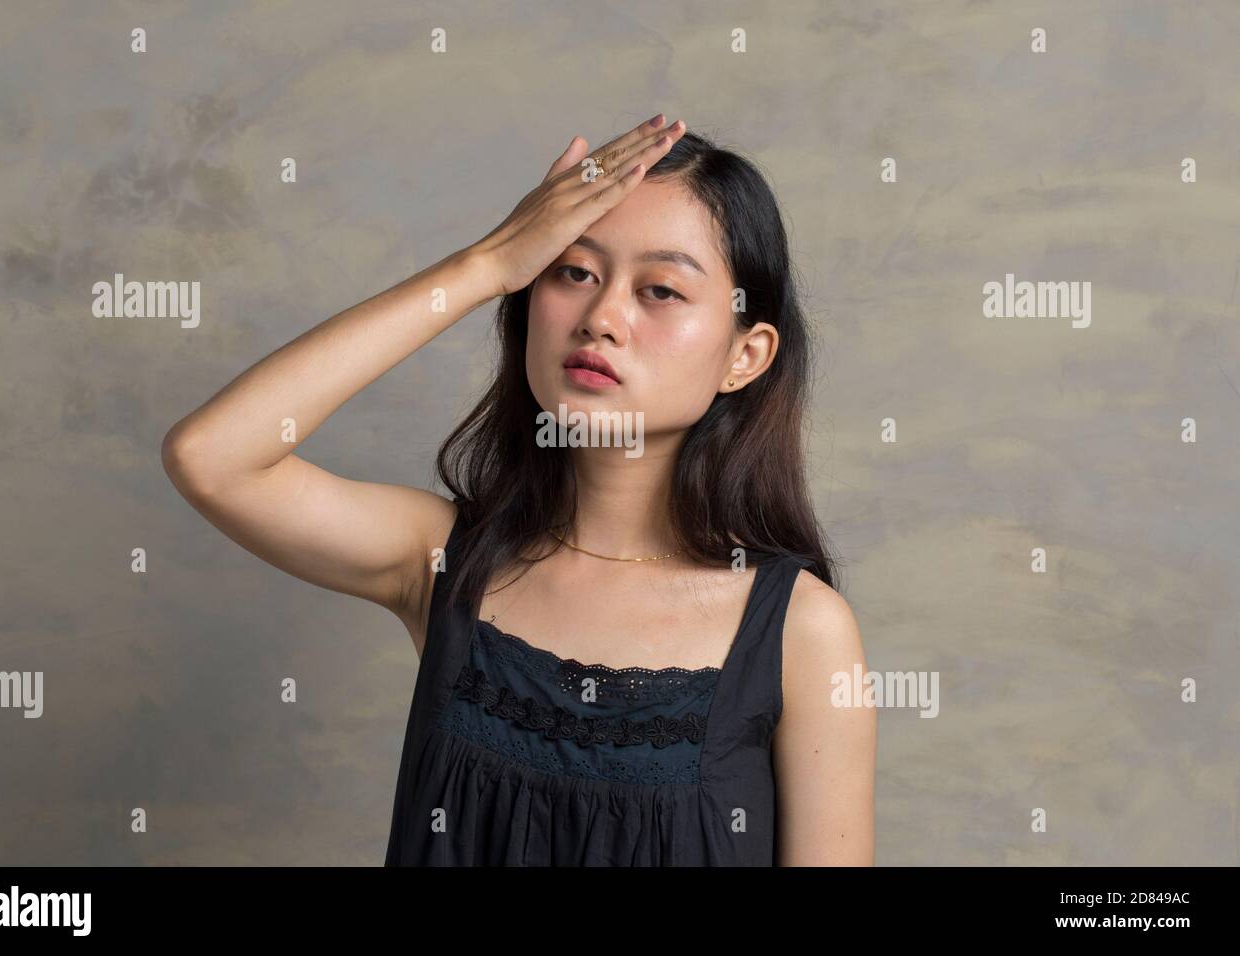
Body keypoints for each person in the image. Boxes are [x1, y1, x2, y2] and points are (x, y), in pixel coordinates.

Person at [161, 112, 876, 866]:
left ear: (745, 355)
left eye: (660, 290)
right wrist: (485, 264)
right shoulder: (443, 561)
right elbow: (212, 457)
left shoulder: (802, 633)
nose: (601, 318)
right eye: (572, 271)